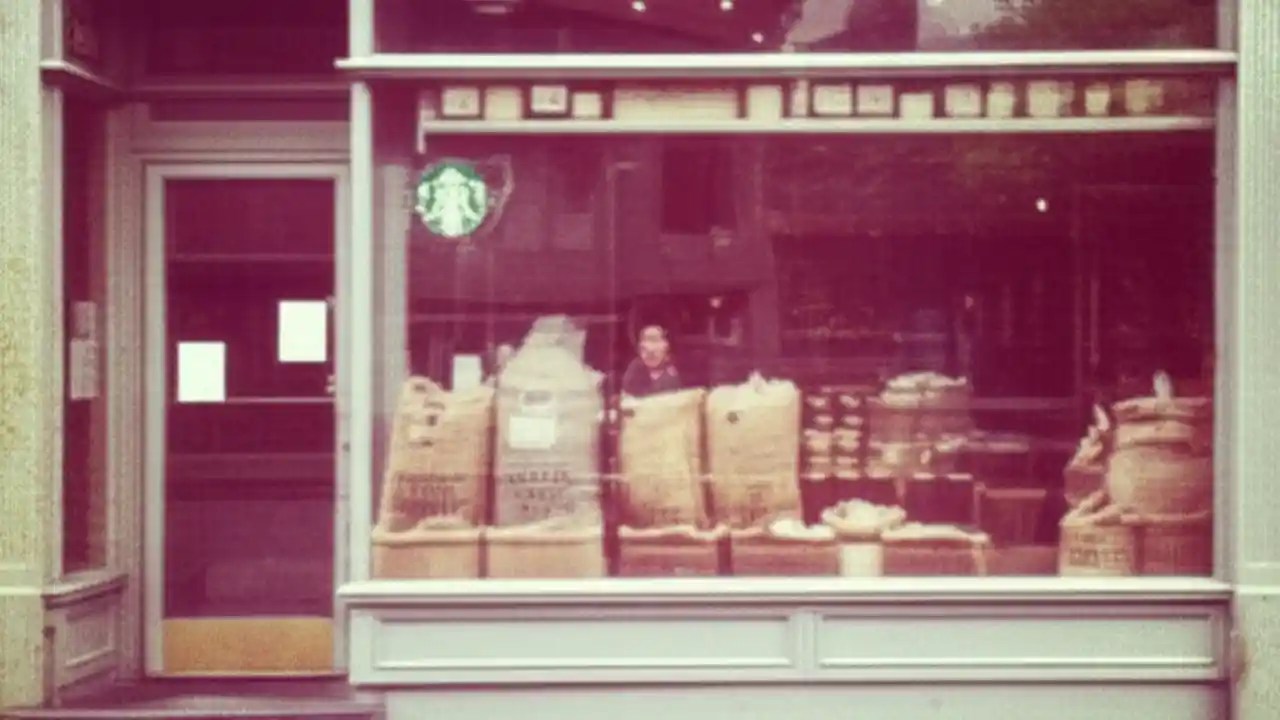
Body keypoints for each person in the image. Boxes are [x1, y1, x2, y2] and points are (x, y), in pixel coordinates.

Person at [621, 324, 681, 398]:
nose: (651, 352)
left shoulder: (671, 372)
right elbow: (627, 393)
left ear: (666, 348)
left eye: (656, 342)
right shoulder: (634, 369)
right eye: (645, 349)